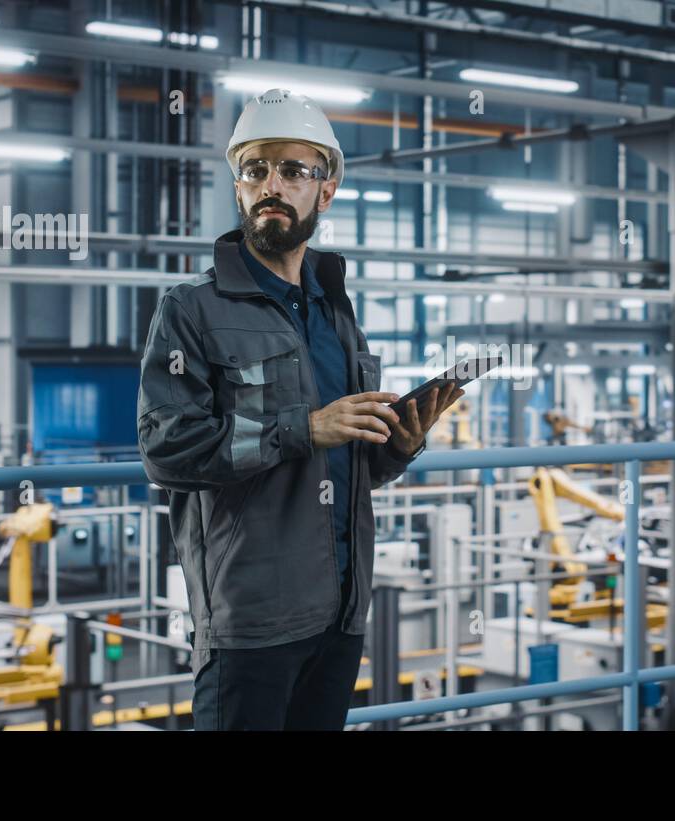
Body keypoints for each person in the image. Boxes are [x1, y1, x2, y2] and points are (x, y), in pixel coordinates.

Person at [136, 88, 461, 730]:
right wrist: (303, 428)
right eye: (255, 169)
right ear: (238, 188)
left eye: (293, 170)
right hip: (251, 619)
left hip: (340, 610)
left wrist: (397, 445)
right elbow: (166, 448)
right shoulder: (192, 309)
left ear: (325, 190)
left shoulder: (335, 314)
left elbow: (352, 465)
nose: (272, 185)